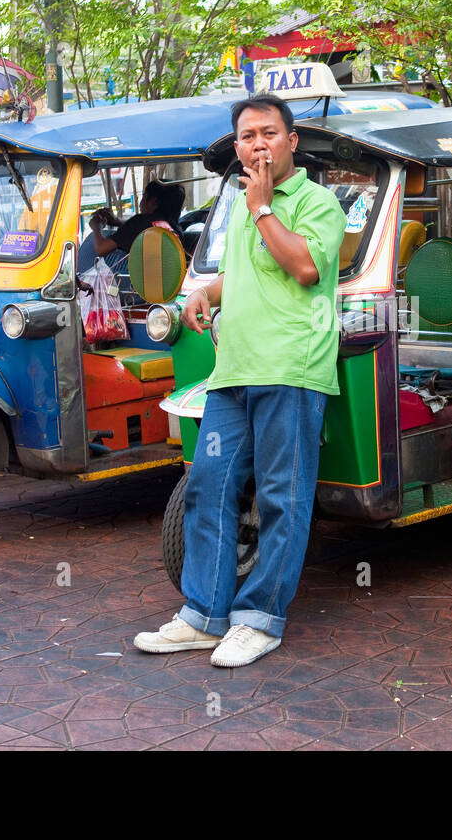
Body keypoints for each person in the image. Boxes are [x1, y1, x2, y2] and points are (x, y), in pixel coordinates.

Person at [133, 93, 346, 668]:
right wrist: (205, 292)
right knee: (209, 488)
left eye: (269, 134)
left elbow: (303, 266)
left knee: (283, 497)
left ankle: (260, 619)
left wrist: (261, 208)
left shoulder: (317, 202)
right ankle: (203, 616)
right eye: (247, 136)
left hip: (292, 369)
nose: (258, 145)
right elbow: (245, 270)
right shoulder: (246, 207)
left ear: (291, 141)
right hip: (234, 371)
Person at [89, 179, 184, 258]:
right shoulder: (176, 228)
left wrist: (96, 226)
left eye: (143, 197)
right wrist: (116, 221)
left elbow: (101, 249)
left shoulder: (139, 223)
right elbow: (142, 227)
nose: (140, 203)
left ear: (153, 202)